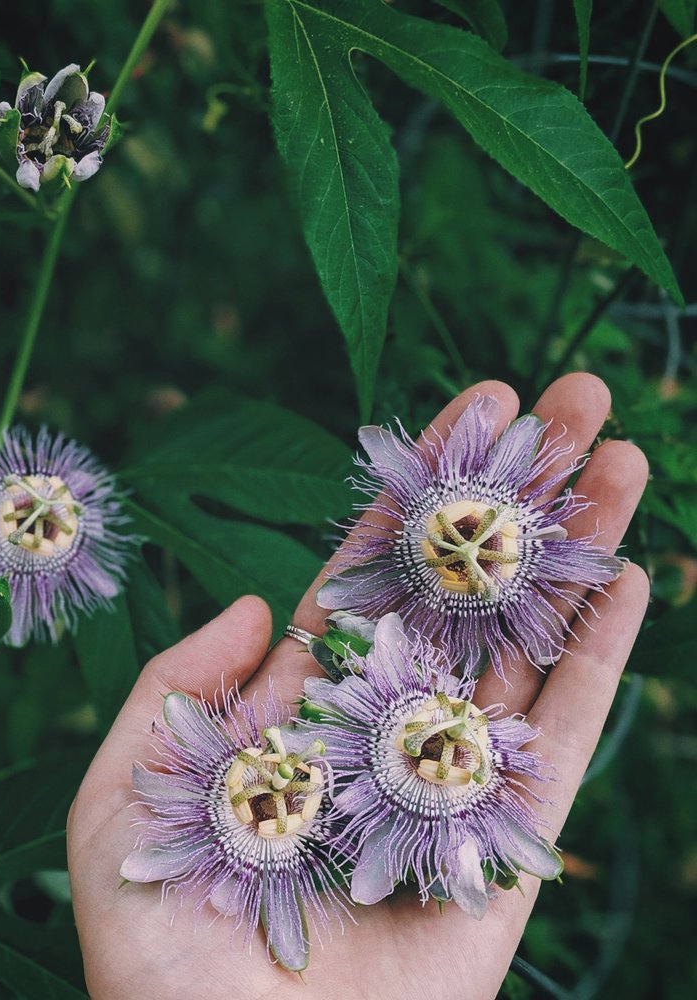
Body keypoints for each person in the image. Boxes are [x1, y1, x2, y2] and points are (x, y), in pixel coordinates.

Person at [68, 374, 650, 999]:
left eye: (472, 549)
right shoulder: (333, 775)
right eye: (470, 542)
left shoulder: (354, 768)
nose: (470, 549)